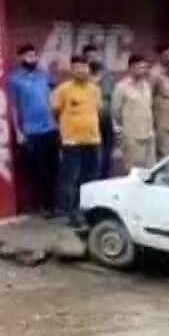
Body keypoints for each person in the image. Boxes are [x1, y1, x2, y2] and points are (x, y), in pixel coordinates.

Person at [51, 58, 105, 224]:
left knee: (92, 178)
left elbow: (98, 111)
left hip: (93, 141)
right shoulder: (63, 90)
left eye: (84, 68)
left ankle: (90, 213)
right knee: (72, 179)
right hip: (72, 143)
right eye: (78, 68)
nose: (82, 71)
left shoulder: (95, 90)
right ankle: (73, 215)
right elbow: (55, 111)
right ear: (71, 70)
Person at [8, 44, 60, 214]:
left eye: (34, 55)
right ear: (20, 58)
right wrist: (18, 132)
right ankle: (41, 206)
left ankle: (53, 205)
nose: (33, 58)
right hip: (31, 131)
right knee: (38, 171)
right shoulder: (15, 79)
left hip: (51, 129)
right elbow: (14, 107)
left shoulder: (44, 76)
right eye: (29, 56)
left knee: (53, 169)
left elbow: (57, 91)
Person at [112, 54, 158, 171]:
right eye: (139, 68)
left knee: (149, 172)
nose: (143, 71)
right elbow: (115, 112)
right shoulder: (121, 87)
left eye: (145, 68)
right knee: (133, 172)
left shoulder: (147, 86)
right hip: (132, 138)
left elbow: (149, 108)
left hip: (149, 136)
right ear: (131, 68)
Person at [81, 44, 117, 176]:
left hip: (107, 121)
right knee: (95, 157)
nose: (93, 59)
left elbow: (114, 98)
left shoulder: (108, 76)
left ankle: (104, 181)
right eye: (89, 57)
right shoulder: (82, 79)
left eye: (95, 56)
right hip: (90, 122)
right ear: (84, 59)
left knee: (107, 156)